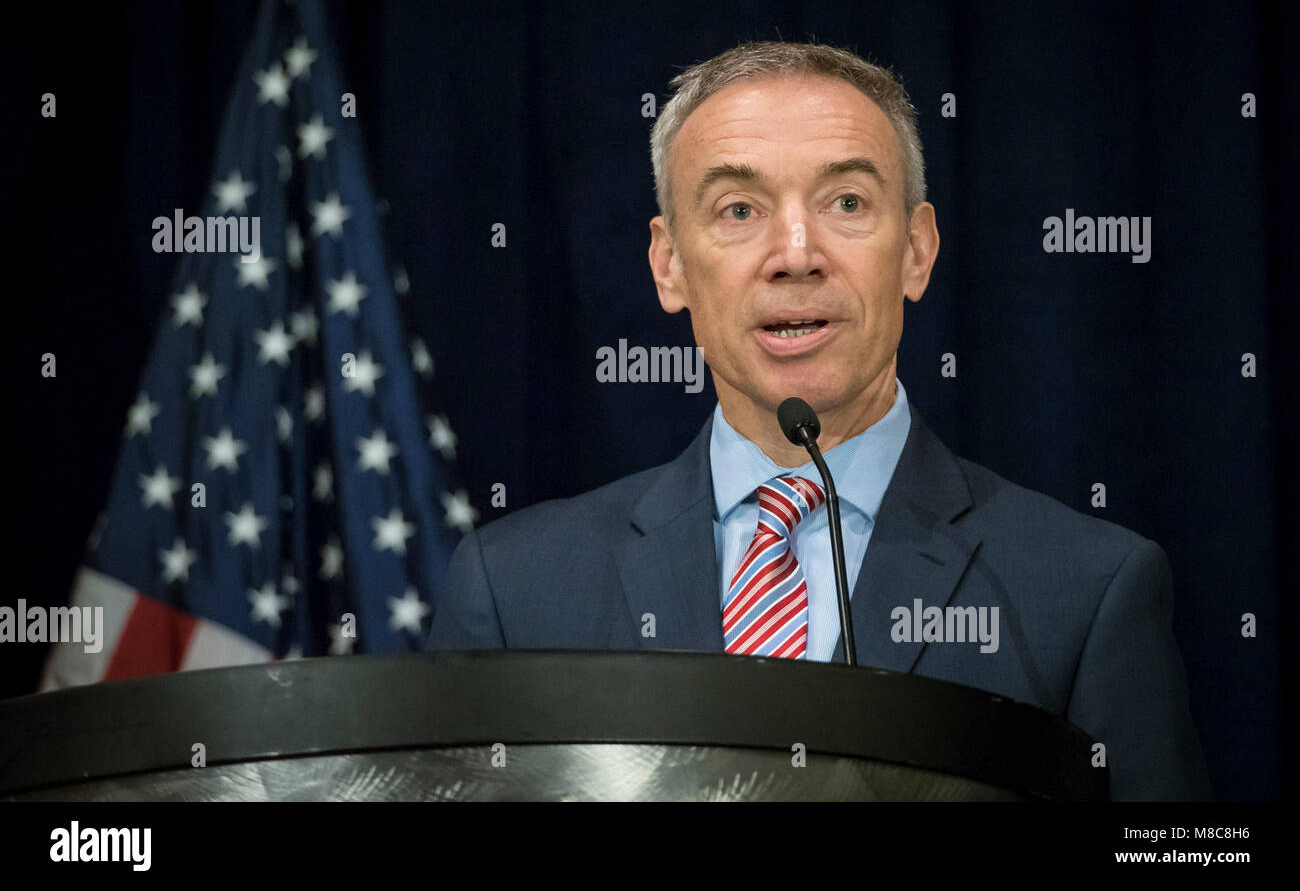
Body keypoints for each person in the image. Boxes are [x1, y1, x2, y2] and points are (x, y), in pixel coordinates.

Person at [426, 40, 1212, 801]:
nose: (795, 253)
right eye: (739, 208)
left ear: (916, 249)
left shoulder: (1086, 588)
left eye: (846, 202)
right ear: (669, 264)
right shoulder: (517, 590)